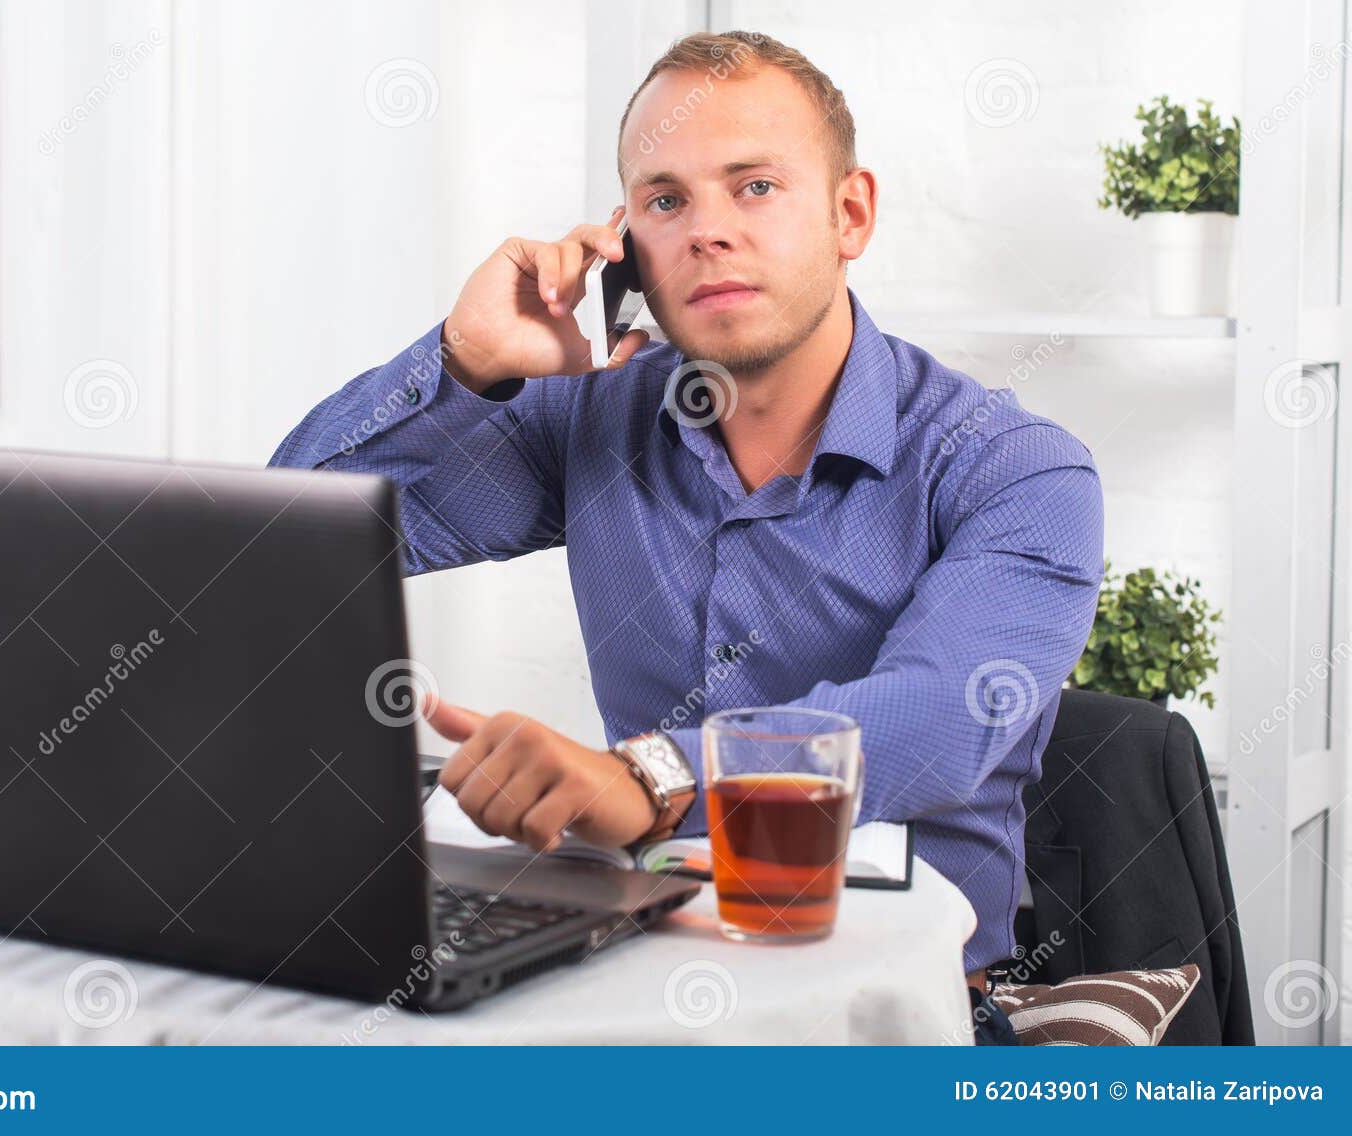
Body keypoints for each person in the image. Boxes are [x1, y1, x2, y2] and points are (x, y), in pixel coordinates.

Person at [269, 30, 1103, 1010]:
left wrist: (650, 775)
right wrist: (464, 362)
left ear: (850, 213)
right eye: (666, 200)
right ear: (625, 248)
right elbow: (296, 539)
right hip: (646, 967)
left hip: (905, 1002)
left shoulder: (1018, 468)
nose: (707, 229)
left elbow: (934, 710)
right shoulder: (585, 414)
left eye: (754, 186)